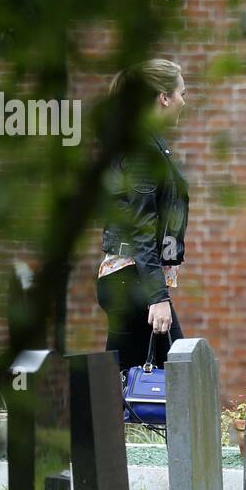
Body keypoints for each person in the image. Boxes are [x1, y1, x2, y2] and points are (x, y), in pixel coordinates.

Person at [96, 59, 189, 373]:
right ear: (164, 97)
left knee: (123, 383)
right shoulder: (142, 150)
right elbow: (140, 230)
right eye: (181, 94)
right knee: (180, 372)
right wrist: (157, 298)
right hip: (130, 280)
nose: (183, 102)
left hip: (134, 281)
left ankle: (100, 422)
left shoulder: (150, 143)